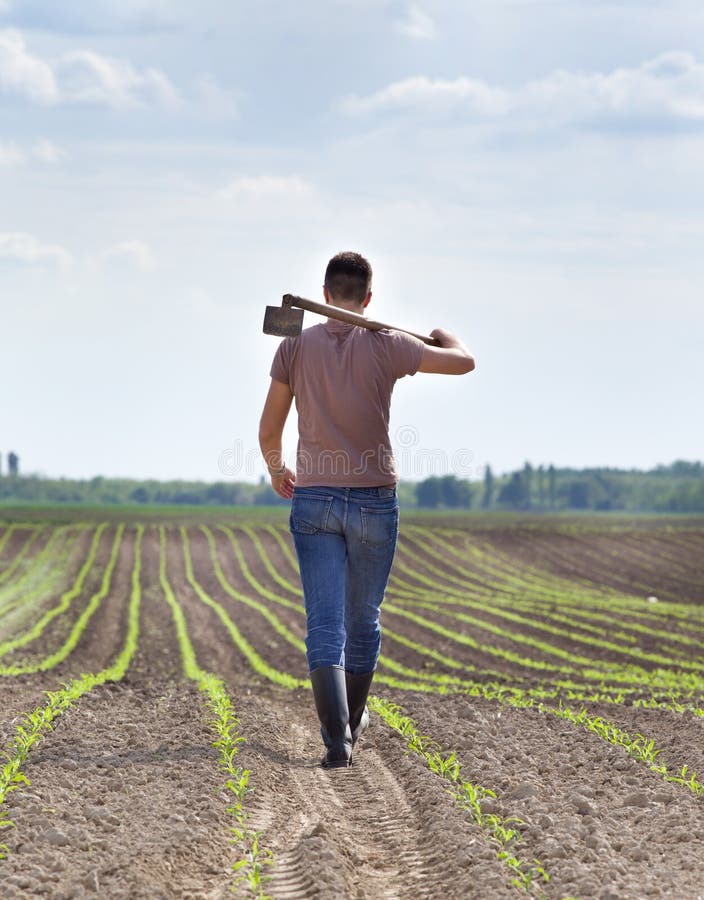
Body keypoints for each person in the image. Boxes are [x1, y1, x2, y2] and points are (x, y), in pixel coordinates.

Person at [259, 251, 474, 768]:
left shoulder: (294, 346)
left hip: (313, 499)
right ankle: (352, 723)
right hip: (376, 500)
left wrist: (275, 468)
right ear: (369, 299)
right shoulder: (390, 344)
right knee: (363, 620)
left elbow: (269, 429)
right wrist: (444, 336)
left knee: (324, 624)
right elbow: (464, 362)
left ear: (326, 293)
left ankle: (338, 743)